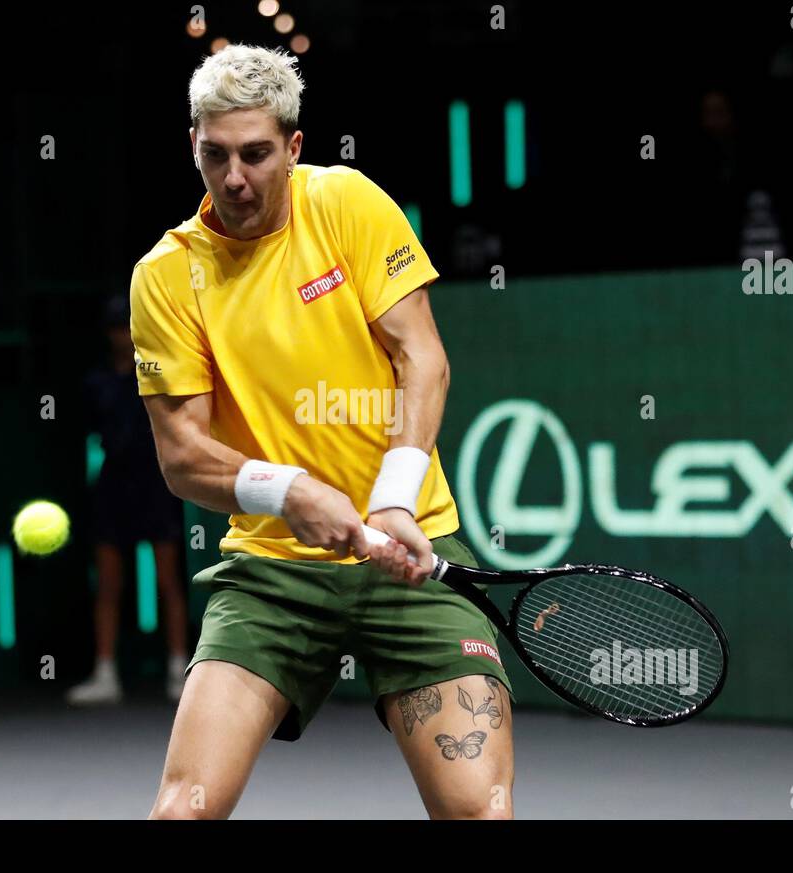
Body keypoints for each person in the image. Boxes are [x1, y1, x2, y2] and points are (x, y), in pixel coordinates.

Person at [131, 45, 515, 819]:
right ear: (193, 144)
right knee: (183, 811)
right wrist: (288, 492)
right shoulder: (166, 276)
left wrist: (395, 497)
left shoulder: (346, 203)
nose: (234, 177)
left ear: (294, 147)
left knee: (478, 810)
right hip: (271, 572)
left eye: (255, 154)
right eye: (214, 154)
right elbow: (181, 457)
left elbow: (422, 358)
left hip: (409, 552)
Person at [67, 295, 189, 705]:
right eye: (117, 327)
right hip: (113, 486)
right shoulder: (95, 383)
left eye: (128, 326)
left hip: (156, 483)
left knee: (168, 580)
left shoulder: (159, 374)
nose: (124, 335)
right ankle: (105, 674)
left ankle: (179, 670)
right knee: (108, 584)